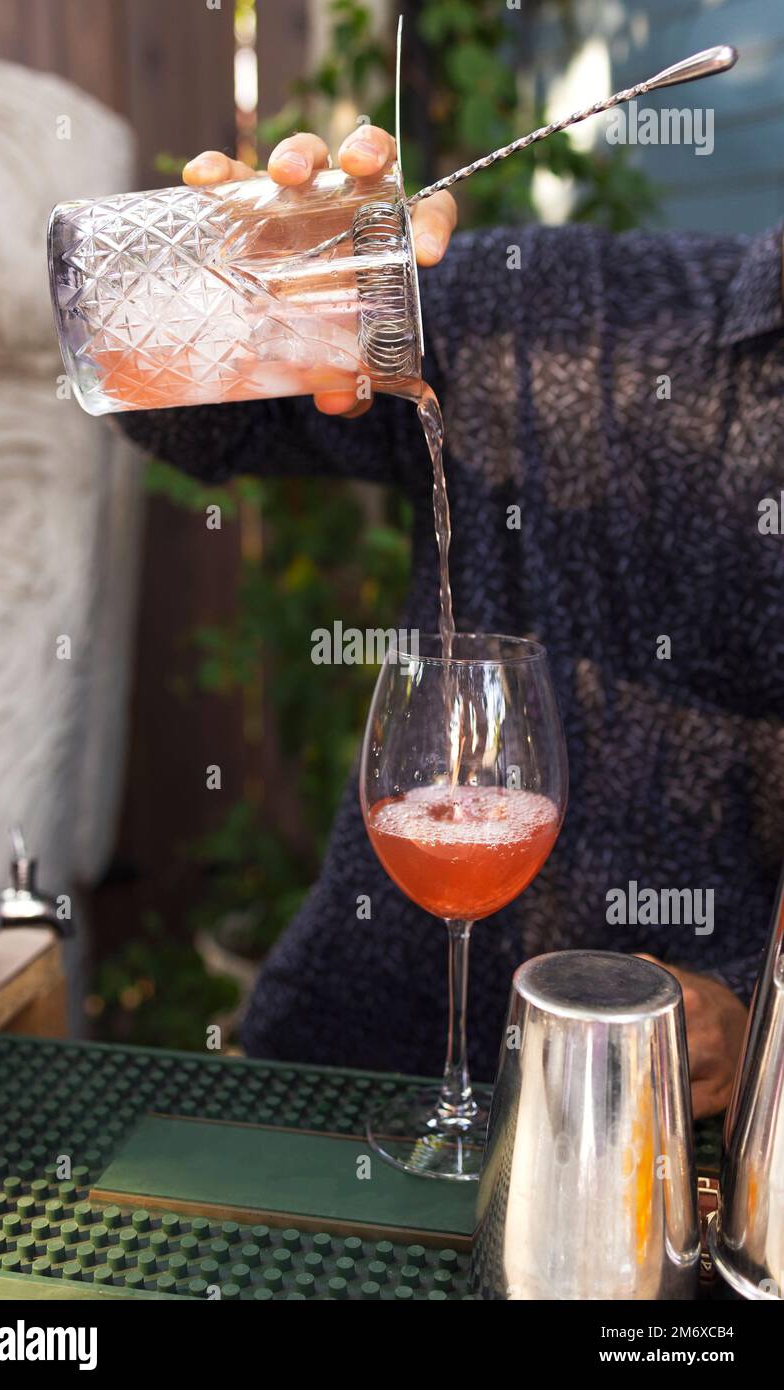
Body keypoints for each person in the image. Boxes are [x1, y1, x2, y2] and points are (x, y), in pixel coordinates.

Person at [118, 125, 784, 1118]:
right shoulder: (557, 311)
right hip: (342, 1080)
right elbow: (187, 413)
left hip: (663, 1149)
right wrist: (226, 278)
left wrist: (756, 1012)